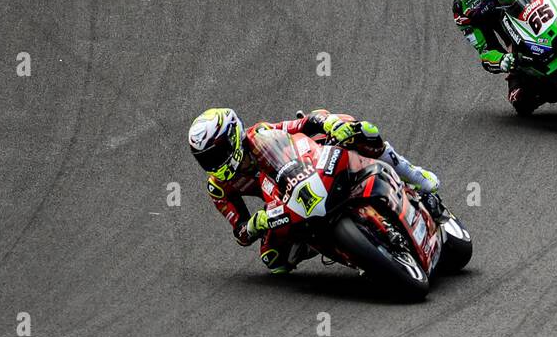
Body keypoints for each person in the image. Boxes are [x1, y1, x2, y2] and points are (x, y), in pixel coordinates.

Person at [188, 107, 442, 274]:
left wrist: (331, 124)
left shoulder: (260, 135)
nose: (213, 164)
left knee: (356, 129)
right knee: (273, 260)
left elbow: (306, 123)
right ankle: (346, 251)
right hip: (281, 201)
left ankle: (413, 175)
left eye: (217, 154)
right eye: (206, 160)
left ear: (232, 137)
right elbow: (241, 233)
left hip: (307, 167)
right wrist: (256, 223)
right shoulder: (218, 187)